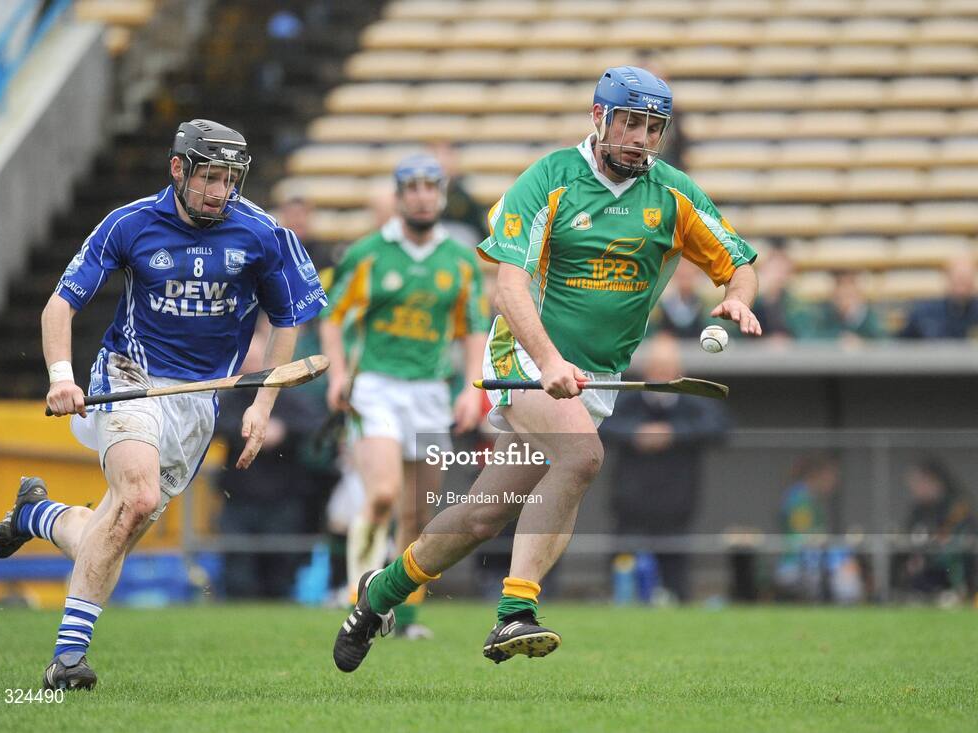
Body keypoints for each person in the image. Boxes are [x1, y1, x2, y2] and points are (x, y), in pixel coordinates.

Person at [332, 66, 761, 673]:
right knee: (582, 456)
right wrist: (551, 360)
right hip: (525, 354)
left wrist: (738, 294)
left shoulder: (672, 194)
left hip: (592, 377)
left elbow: (740, 260)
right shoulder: (551, 179)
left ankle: (377, 596)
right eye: (630, 123)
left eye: (652, 127)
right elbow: (509, 284)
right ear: (599, 118)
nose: (640, 138)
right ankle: (516, 612)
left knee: (482, 515)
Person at [0, 119, 327, 690]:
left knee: (118, 526)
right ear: (179, 169)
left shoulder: (262, 233)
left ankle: (36, 514)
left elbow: (290, 317)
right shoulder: (130, 223)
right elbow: (58, 307)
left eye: (231, 179)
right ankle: (68, 659)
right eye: (210, 178)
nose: (221, 191)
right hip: (130, 376)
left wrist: (263, 402)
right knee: (139, 496)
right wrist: (60, 377)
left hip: (198, 400)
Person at [320, 152, 489, 639]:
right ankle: (362, 603)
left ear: (441, 195)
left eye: (430, 187)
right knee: (384, 495)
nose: (421, 196)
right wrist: (337, 377)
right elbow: (333, 318)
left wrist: (471, 387)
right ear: (398, 198)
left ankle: (407, 617)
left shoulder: (459, 258)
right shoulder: (369, 252)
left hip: (431, 391)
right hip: (376, 386)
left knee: (418, 513)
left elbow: (475, 326)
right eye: (411, 188)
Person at [599, 333, 730, 602]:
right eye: (656, 369)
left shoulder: (693, 403)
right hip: (631, 502)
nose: (661, 376)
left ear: (679, 372)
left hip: (677, 502)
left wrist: (672, 433)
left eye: (667, 369)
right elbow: (600, 423)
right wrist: (637, 433)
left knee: (675, 570)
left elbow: (720, 427)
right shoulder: (627, 400)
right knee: (625, 568)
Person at [215, 315, 336, 600]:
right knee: (238, 575)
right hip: (239, 497)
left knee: (280, 574)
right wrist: (246, 431)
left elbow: (314, 424)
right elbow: (215, 425)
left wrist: (282, 432)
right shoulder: (230, 398)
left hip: (283, 498)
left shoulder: (291, 397)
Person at [775, 454, 863, 604]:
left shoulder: (812, 499)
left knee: (845, 558)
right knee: (845, 567)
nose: (835, 482)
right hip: (797, 562)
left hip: (813, 559)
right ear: (817, 476)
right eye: (831, 477)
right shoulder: (800, 500)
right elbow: (802, 537)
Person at [896, 459, 976, 602]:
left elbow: (965, 536)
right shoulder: (918, 511)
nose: (915, 488)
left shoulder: (956, 506)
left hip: (952, 563)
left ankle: (958, 594)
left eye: (919, 483)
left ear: (932, 480)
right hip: (925, 566)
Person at [899, 256, 978, 339]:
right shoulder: (923, 313)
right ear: (948, 280)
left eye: (966, 280)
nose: (962, 285)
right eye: (958, 279)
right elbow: (901, 345)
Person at [812, 270, 884, 343]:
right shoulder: (827, 314)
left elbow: (881, 341)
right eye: (840, 296)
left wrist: (861, 341)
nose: (844, 300)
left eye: (849, 295)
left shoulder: (870, 317)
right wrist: (839, 337)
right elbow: (813, 337)